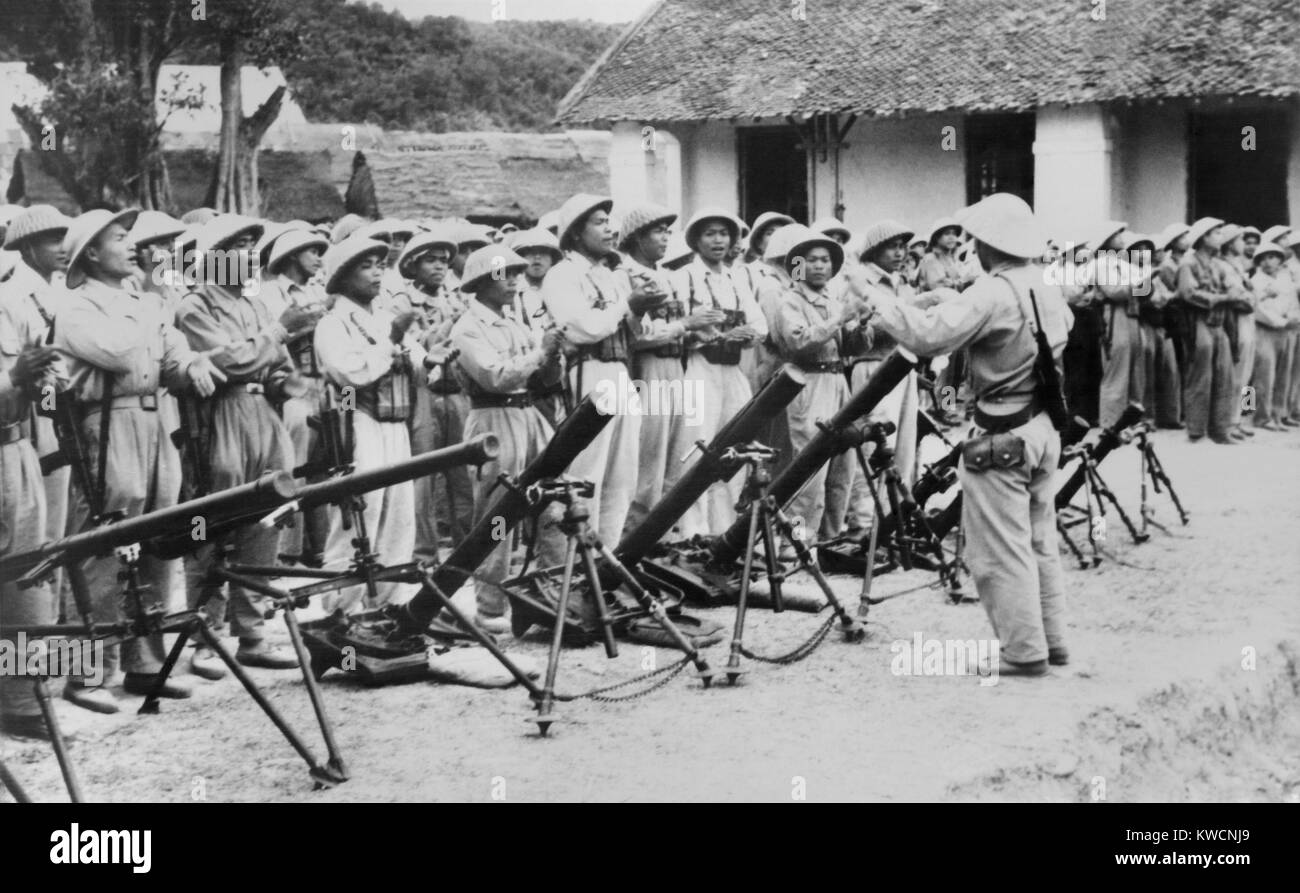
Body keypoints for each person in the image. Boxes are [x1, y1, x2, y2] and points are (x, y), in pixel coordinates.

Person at [858, 193, 1072, 677]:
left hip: (1002, 430)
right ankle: (1052, 640)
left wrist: (880, 300)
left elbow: (927, 335)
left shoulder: (992, 291)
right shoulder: (1044, 283)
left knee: (999, 549)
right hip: (1040, 423)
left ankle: (1022, 651)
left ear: (989, 244)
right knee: (1040, 540)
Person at [56, 209, 225, 709]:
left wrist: (192, 363)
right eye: (121, 238)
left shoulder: (142, 301)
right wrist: (153, 304)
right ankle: (86, 671)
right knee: (102, 545)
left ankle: (144, 663)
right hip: (107, 422)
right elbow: (117, 352)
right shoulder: (78, 306)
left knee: (158, 539)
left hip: (155, 419)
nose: (134, 246)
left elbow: (174, 356)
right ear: (90, 252)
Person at [176, 214, 311, 674]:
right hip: (220, 416)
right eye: (238, 248)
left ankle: (251, 631)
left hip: (262, 414)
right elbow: (229, 363)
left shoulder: (252, 306)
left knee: (267, 518)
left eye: (252, 248)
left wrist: (278, 369)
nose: (249, 257)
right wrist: (272, 340)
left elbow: (276, 365)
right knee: (215, 519)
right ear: (214, 258)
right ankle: (203, 633)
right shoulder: (195, 306)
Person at [449, 245, 566, 634]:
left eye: (517, 273)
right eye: (505, 274)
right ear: (481, 282)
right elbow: (495, 376)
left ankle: (554, 596)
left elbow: (544, 380)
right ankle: (489, 607)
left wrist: (552, 356)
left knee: (553, 503)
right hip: (493, 417)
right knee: (499, 514)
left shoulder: (514, 321)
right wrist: (539, 354)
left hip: (528, 413)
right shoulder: (468, 327)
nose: (514, 281)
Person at [541, 194, 663, 545]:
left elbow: (636, 332)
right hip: (588, 373)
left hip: (620, 371)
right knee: (586, 472)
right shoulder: (561, 275)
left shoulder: (612, 275)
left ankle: (605, 561)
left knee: (622, 474)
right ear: (576, 233)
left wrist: (639, 310)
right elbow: (584, 329)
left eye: (609, 221)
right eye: (598, 222)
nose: (610, 228)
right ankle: (573, 565)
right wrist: (627, 305)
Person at [314, 236, 427, 612]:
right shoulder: (332, 323)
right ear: (343, 276)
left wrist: (432, 355)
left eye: (381, 264)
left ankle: (391, 607)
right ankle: (340, 610)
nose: (378, 272)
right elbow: (349, 373)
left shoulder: (381, 317)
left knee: (399, 515)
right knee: (361, 513)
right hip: (357, 420)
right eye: (367, 266)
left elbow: (420, 361)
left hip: (395, 422)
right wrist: (392, 342)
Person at [620, 204, 722, 533]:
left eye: (667, 231)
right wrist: (685, 325)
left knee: (680, 456)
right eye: (657, 231)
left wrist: (702, 329)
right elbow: (635, 336)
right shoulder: (624, 274)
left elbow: (679, 324)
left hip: (677, 365)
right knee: (648, 458)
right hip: (646, 369)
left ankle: (669, 535)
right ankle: (638, 537)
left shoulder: (664, 275)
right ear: (637, 237)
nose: (665, 238)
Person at [0, 232, 65, 738]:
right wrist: (12, 378)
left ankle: (24, 703)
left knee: (25, 578)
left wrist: (42, 380)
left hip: (15, 449)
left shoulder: (13, 295)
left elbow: (51, 373)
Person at [671, 209, 767, 534]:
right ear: (696, 239)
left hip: (732, 371)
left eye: (723, 234)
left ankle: (723, 530)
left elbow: (760, 325)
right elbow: (682, 325)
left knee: (735, 447)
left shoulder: (735, 278)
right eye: (710, 234)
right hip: (700, 368)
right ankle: (692, 532)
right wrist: (716, 334)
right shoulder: (683, 276)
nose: (718, 240)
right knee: (696, 447)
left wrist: (744, 334)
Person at [2, 206, 75, 624]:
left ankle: (48, 666)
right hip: (24, 434)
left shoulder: (54, 294)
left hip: (47, 429)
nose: (63, 248)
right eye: (52, 239)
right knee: (35, 555)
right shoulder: (12, 298)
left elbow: (57, 377)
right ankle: (36, 673)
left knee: (54, 547)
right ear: (27, 247)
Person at [767, 224, 854, 549]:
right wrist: (838, 321)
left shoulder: (833, 300)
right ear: (798, 266)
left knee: (843, 462)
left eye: (826, 260)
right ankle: (798, 542)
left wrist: (861, 323)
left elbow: (850, 347)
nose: (820, 266)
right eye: (812, 260)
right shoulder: (790, 300)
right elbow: (798, 341)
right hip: (808, 382)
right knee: (809, 466)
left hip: (836, 379)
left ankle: (831, 537)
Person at [258, 228, 333, 567]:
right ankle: (286, 551)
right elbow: (273, 335)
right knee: (293, 467)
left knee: (325, 467)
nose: (318, 257)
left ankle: (320, 548)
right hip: (291, 390)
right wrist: (309, 324)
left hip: (325, 386)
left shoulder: (317, 291)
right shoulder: (268, 293)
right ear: (291, 256)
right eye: (311, 251)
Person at [392, 228, 462, 560]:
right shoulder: (402, 302)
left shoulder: (456, 297)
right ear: (413, 266)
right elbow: (413, 349)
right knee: (424, 476)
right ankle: (423, 552)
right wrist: (449, 327)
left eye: (445, 261)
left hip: (458, 391)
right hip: (424, 392)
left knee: (464, 473)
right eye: (431, 261)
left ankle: (467, 547)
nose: (439, 267)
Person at [1177, 217, 1237, 444]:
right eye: (1216, 233)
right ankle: (1197, 430)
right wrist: (1222, 298)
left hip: (1220, 323)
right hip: (1199, 321)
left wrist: (1230, 294)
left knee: (1226, 377)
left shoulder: (1218, 265)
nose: (1220, 238)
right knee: (1201, 377)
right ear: (1203, 237)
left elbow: (1235, 288)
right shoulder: (1188, 263)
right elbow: (1188, 293)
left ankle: (1221, 429)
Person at [1087, 221, 1149, 429]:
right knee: (1117, 369)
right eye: (1117, 233)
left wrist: (1144, 285)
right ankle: (1111, 421)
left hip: (1132, 313)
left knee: (1135, 368)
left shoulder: (1124, 264)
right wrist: (1138, 285)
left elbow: (1144, 289)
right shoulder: (1100, 264)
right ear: (1107, 240)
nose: (1122, 236)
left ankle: (1132, 418)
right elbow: (1113, 291)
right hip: (1114, 316)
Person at [509, 227, 567, 426]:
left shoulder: (562, 292)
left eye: (543, 252)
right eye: (529, 253)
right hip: (531, 378)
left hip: (563, 377)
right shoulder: (513, 295)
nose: (536, 258)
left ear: (553, 259)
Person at [1249, 242, 1298, 431]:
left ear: (1280, 260)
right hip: (1264, 330)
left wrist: (1291, 318)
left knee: (1283, 375)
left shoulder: (1285, 281)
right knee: (1262, 377)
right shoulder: (1256, 282)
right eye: (1263, 259)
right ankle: (1256, 415)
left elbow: (1293, 304)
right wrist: (1282, 321)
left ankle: (1278, 415)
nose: (1268, 262)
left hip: (1285, 331)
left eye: (1272, 257)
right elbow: (1259, 310)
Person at [1216, 225, 1257, 440]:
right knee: (1236, 373)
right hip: (1236, 321)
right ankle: (1230, 421)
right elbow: (1238, 296)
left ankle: (1242, 416)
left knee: (1247, 376)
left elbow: (1250, 293)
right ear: (1231, 243)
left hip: (1248, 321)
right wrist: (1249, 297)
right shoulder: (1224, 266)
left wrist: (1250, 297)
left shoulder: (1239, 265)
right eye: (1241, 239)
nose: (1244, 243)